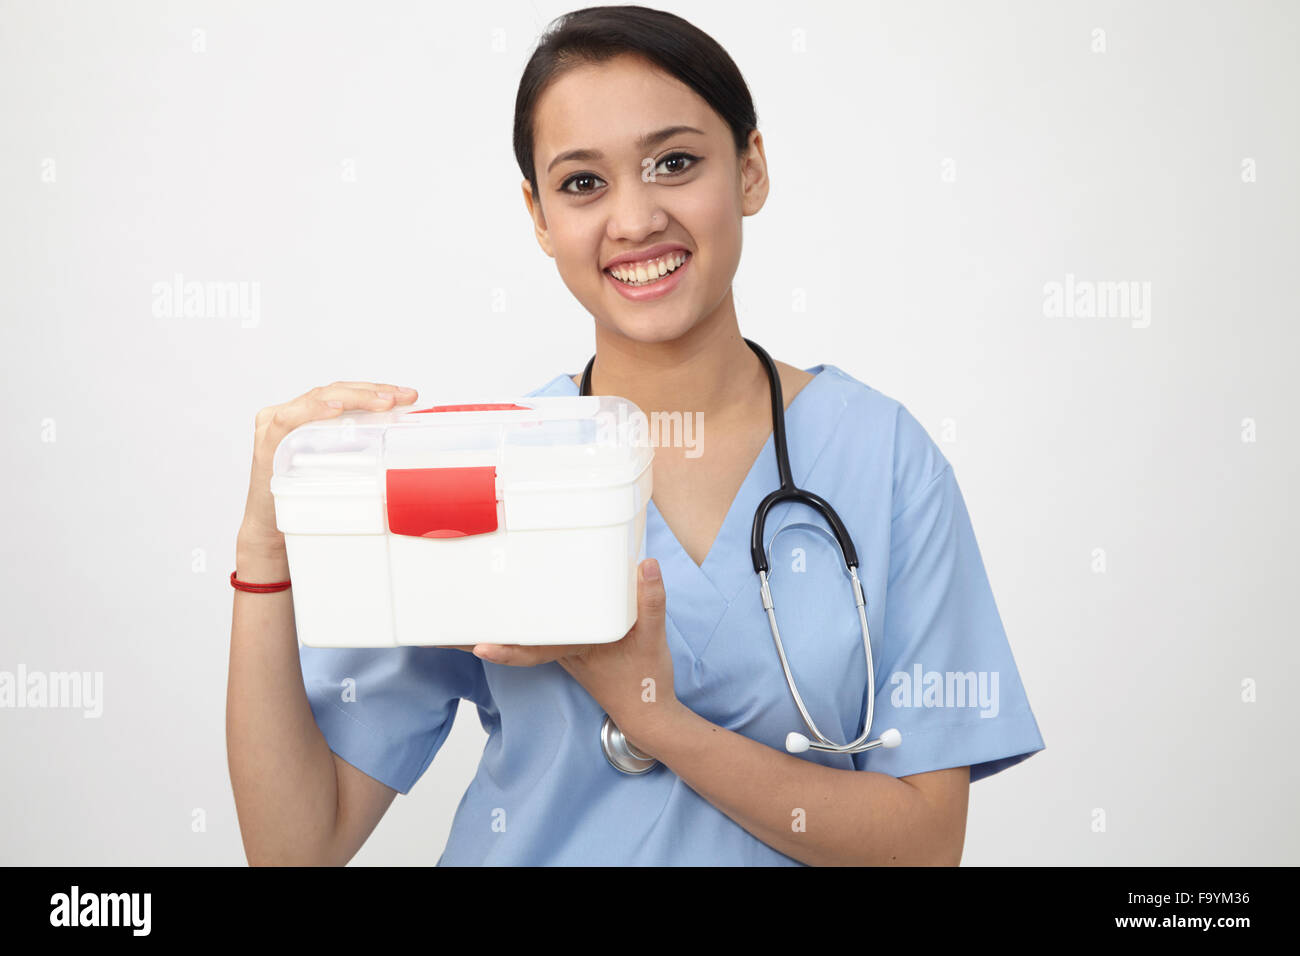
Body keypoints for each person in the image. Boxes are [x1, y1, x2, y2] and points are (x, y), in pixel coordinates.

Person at [227, 5, 1045, 866]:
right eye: (583, 183)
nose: (635, 219)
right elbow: (294, 848)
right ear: (539, 216)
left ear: (752, 170)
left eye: (676, 162)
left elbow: (923, 846)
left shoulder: (882, 460)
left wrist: (657, 718)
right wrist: (262, 549)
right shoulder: (487, 471)